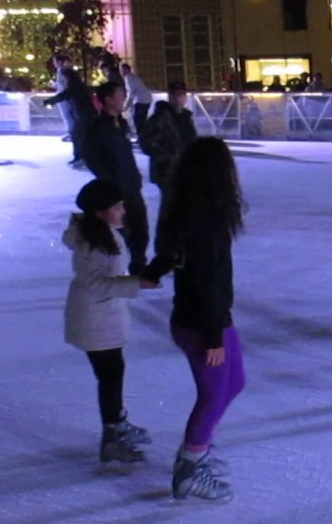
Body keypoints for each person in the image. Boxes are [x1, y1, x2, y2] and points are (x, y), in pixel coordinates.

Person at [146, 137, 247, 502]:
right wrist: (214, 335)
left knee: (234, 382)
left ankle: (200, 448)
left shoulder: (192, 209)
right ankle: (189, 467)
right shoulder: (203, 220)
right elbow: (207, 279)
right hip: (203, 322)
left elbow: (170, 254)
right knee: (212, 393)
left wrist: (152, 272)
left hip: (209, 317)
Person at [62, 179, 159, 464]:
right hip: (95, 319)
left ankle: (117, 423)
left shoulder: (100, 234)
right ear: (100, 211)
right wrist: (136, 283)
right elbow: (96, 283)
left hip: (100, 317)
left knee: (112, 374)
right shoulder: (94, 241)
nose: (123, 210)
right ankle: (113, 435)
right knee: (110, 375)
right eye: (117, 206)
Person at [83, 82, 149, 274]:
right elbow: (92, 158)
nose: (123, 100)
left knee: (140, 228)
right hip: (115, 190)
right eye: (120, 96)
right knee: (121, 232)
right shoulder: (97, 128)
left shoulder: (120, 123)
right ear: (108, 100)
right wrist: (108, 182)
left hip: (132, 185)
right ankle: (119, 269)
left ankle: (138, 265)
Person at [139, 82, 198, 194]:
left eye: (180, 95)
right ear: (169, 97)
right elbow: (144, 141)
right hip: (167, 170)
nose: (177, 99)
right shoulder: (160, 117)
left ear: (185, 97)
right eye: (174, 95)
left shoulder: (186, 116)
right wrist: (164, 156)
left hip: (186, 167)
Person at [44, 63, 96, 168]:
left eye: (64, 78)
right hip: (86, 114)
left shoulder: (74, 87)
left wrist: (49, 101)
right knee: (82, 136)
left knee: (77, 135)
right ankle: (85, 157)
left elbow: (63, 95)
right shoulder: (80, 86)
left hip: (82, 115)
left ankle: (80, 157)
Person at [119, 63, 154, 139]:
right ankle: (144, 136)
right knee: (141, 119)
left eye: (122, 70)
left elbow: (131, 93)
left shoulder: (129, 78)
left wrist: (125, 106)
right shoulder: (133, 77)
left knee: (138, 120)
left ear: (126, 70)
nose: (120, 72)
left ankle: (142, 137)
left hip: (141, 101)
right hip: (146, 99)